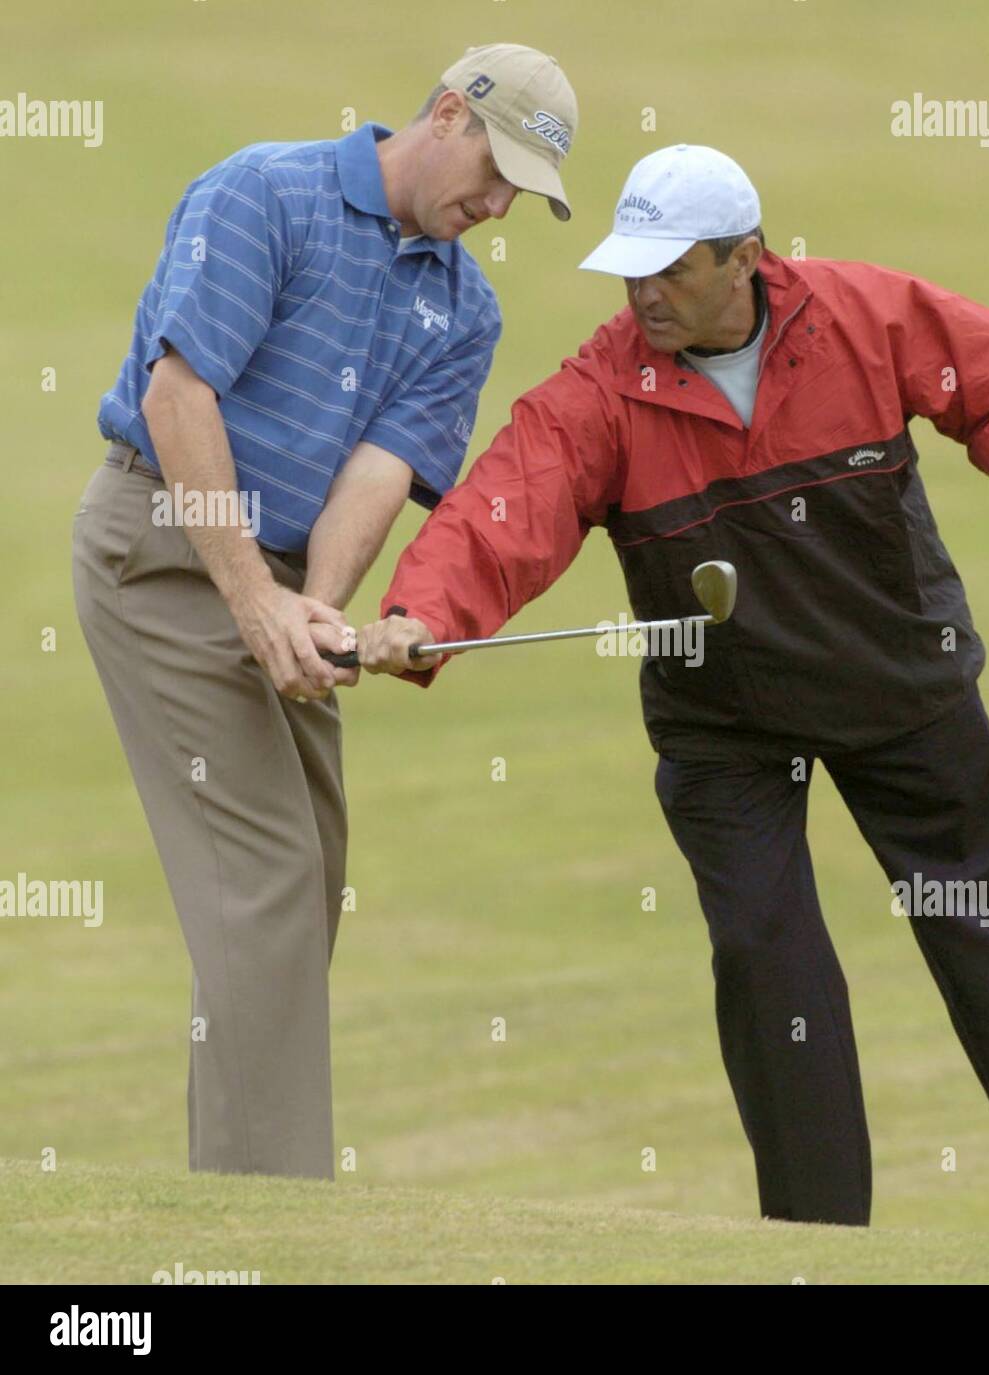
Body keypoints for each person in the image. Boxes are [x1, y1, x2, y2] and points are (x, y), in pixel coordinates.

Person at [358, 144, 989, 1231]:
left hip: (898, 689)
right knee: (768, 960)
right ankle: (817, 1244)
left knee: (976, 936)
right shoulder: (602, 388)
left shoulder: (861, 316)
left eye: (671, 270)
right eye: (631, 271)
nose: (644, 294)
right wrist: (420, 616)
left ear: (746, 258)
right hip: (726, 731)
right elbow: (503, 509)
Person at [72, 43, 578, 1179]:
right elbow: (176, 391)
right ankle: (271, 1211)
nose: (494, 207)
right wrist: (254, 599)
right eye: (492, 172)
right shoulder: (269, 192)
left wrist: (315, 611)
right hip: (160, 550)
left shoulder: (466, 308)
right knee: (267, 872)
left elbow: (379, 468)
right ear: (447, 112)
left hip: (279, 570)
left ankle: (236, 1179)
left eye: (519, 197)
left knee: (311, 864)